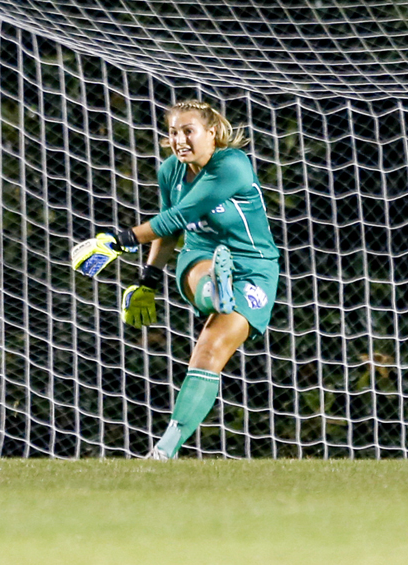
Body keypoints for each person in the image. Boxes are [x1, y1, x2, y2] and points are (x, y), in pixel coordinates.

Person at [71, 99, 280, 460]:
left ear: (211, 132)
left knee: (209, 353)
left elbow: (179, 216)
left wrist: (119, 240)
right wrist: (147, 281)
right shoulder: (171, 170)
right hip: (200, 255)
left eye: (188, 131)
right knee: (205, 269)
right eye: (173, 133)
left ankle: (164, 451)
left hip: (256, 266)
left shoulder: (232, 164)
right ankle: (216, 290)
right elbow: (169, 230)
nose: (179, 140)